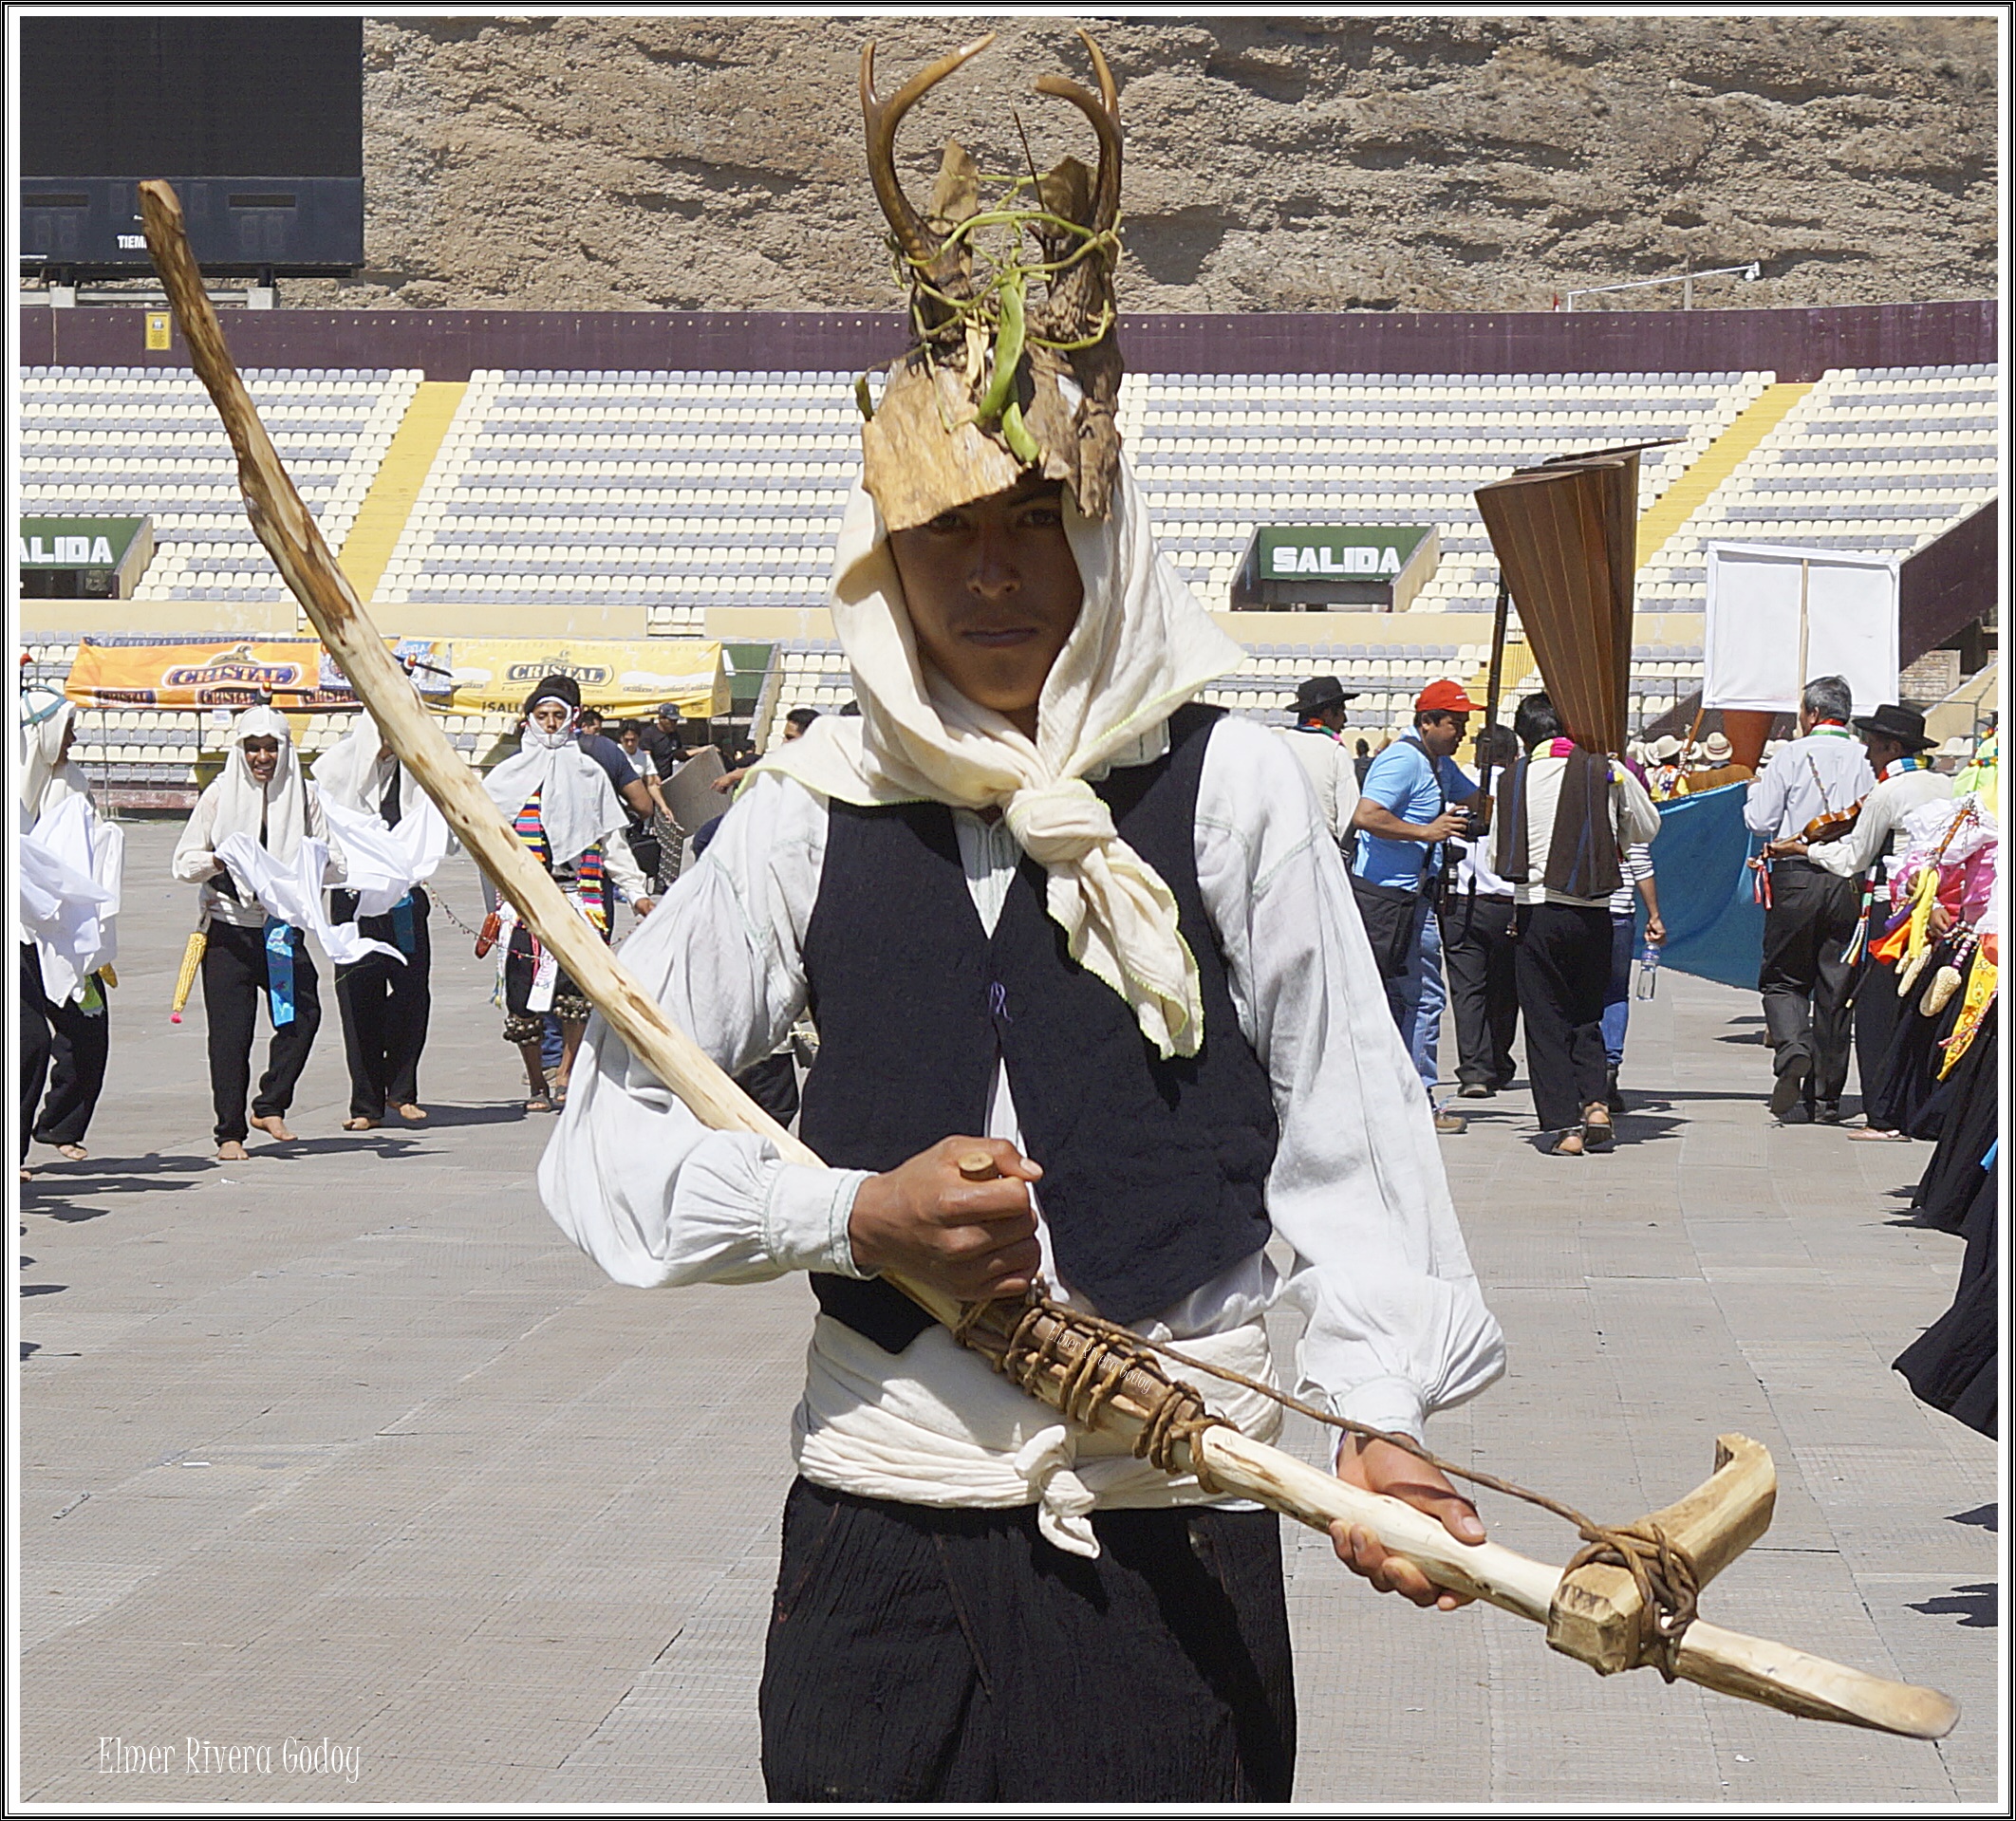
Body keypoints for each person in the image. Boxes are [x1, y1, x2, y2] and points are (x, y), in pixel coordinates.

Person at [540, 96, 1503, 1798]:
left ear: (1102, 524)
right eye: (945, 534)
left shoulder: (1236, 789)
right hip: (877, 1531)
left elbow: (1354, 1133)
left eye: (1031, 520)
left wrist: (1377, 1418)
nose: (989, 575)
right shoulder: (806, 805)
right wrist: (848, 1212)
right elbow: (604, 1137)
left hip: (1170, 1523)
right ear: (885, 563)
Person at [1767, 701, 1951, 1141]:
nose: (1866, 754)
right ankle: (1916, 1108)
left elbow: (1854, 857)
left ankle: (1882, 1116)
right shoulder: (1946, 784)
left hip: (1896, 912)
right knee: (1920, 1012)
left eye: (1872, 745)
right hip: (1941, 908)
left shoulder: (1888, 792)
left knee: (1875, 1014)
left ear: (1892, 747)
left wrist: (1803, 850)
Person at [171, 706, 344, 1161]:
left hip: (280, 930)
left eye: (271, 748)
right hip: (228, 931)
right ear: (241, 750)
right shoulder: (219, 794)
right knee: (231, 1036)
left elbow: (336, 862)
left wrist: (309, 867)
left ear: (285, 750)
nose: (262, 758)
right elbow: (183, 862)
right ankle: (229, 1133)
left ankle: (270, 1104)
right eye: (253, 748)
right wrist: (219, 860)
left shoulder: (305, 796)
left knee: (303, 1016)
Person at [1493, 693, 1660, 1156]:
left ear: (1524, 737)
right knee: (1588, 1012)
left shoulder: (1512, 778)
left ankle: (1565, 1127)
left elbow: (1495, 855)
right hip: (1593, 911)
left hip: (1536, 910)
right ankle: (1596, 1104)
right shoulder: (1605, 770)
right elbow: (1648, 827)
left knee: (1545, 1021)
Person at [481, 677, 656, 1112]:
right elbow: (485, 847)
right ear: (529, 720)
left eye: (558, 716)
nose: (550, 723)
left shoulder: (590, 774)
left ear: (571, 720)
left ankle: (566, 1073)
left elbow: (611, 843)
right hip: (523, 904)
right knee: (521, 994)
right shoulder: (505, 777)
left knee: (575, 993)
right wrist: (495, 908)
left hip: (579, 897)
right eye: (542, 715)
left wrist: (636, 893)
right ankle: (536, 1082)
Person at [1349, 679, 1489, 1136]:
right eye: (1455, 723)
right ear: (1427, 722)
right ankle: (1415, 1097)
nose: (1461, 732)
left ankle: (1390, 1094)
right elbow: (1367, 815)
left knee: (1403, 996)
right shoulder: (1404, 760)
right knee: (1422, 996)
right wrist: (1426, 832)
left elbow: (1478, 801)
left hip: (1412, 895)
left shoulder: (1438, 763)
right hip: (1388, 897)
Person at [1743, 676, 1877, 1123]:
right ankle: (1826, 1097)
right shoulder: (1867, 757)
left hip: (1796, 877)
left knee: (1783, 978)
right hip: (1848, 880)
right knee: (1836, 987)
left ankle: (1792, 1047)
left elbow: (1760, 821)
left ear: (1813, 713)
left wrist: (1752, 793)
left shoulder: (1790, 755)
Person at [312, 713, 439, 1131]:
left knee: (411, 993)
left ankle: (401, 1090)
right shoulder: (334, 767)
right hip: (353, 896)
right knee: (358, 996)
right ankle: (365, 1103)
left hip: (403, 899)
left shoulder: (419, 768)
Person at [19, 695, 122, 1168]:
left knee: (89, 1030)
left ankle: (60, 1124)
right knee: (29, 1042)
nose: (73, 739)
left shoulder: (73, 784)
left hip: (62, 932)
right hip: (16, 938)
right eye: (66, 729)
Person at [1445, 725, 1521, 1100]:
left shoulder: (1458, 788)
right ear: (1513, 755)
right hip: (1508, 902)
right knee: (1505, 991)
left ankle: (1474, 1069)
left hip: (1462, 900)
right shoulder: (1520, 789)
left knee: (1468, 990)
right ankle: (1498, 1061)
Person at [1598, 840, 1663, 1114]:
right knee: (1614, 994)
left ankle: (1581, 1071)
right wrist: (1654, 915)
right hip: (1618, 911)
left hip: (1574, 907)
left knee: (1575, 994)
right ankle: (1609, 1067)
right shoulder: (1629, 818)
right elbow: (1641, 865)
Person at [1274, 675, 1360, 852]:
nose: (1345, 720)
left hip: (1280, 849)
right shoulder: (1336, 752)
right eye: (1341, 711)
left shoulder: (1279, 745)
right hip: (1321, 851)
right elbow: (1349, 819)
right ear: (1327, 713)